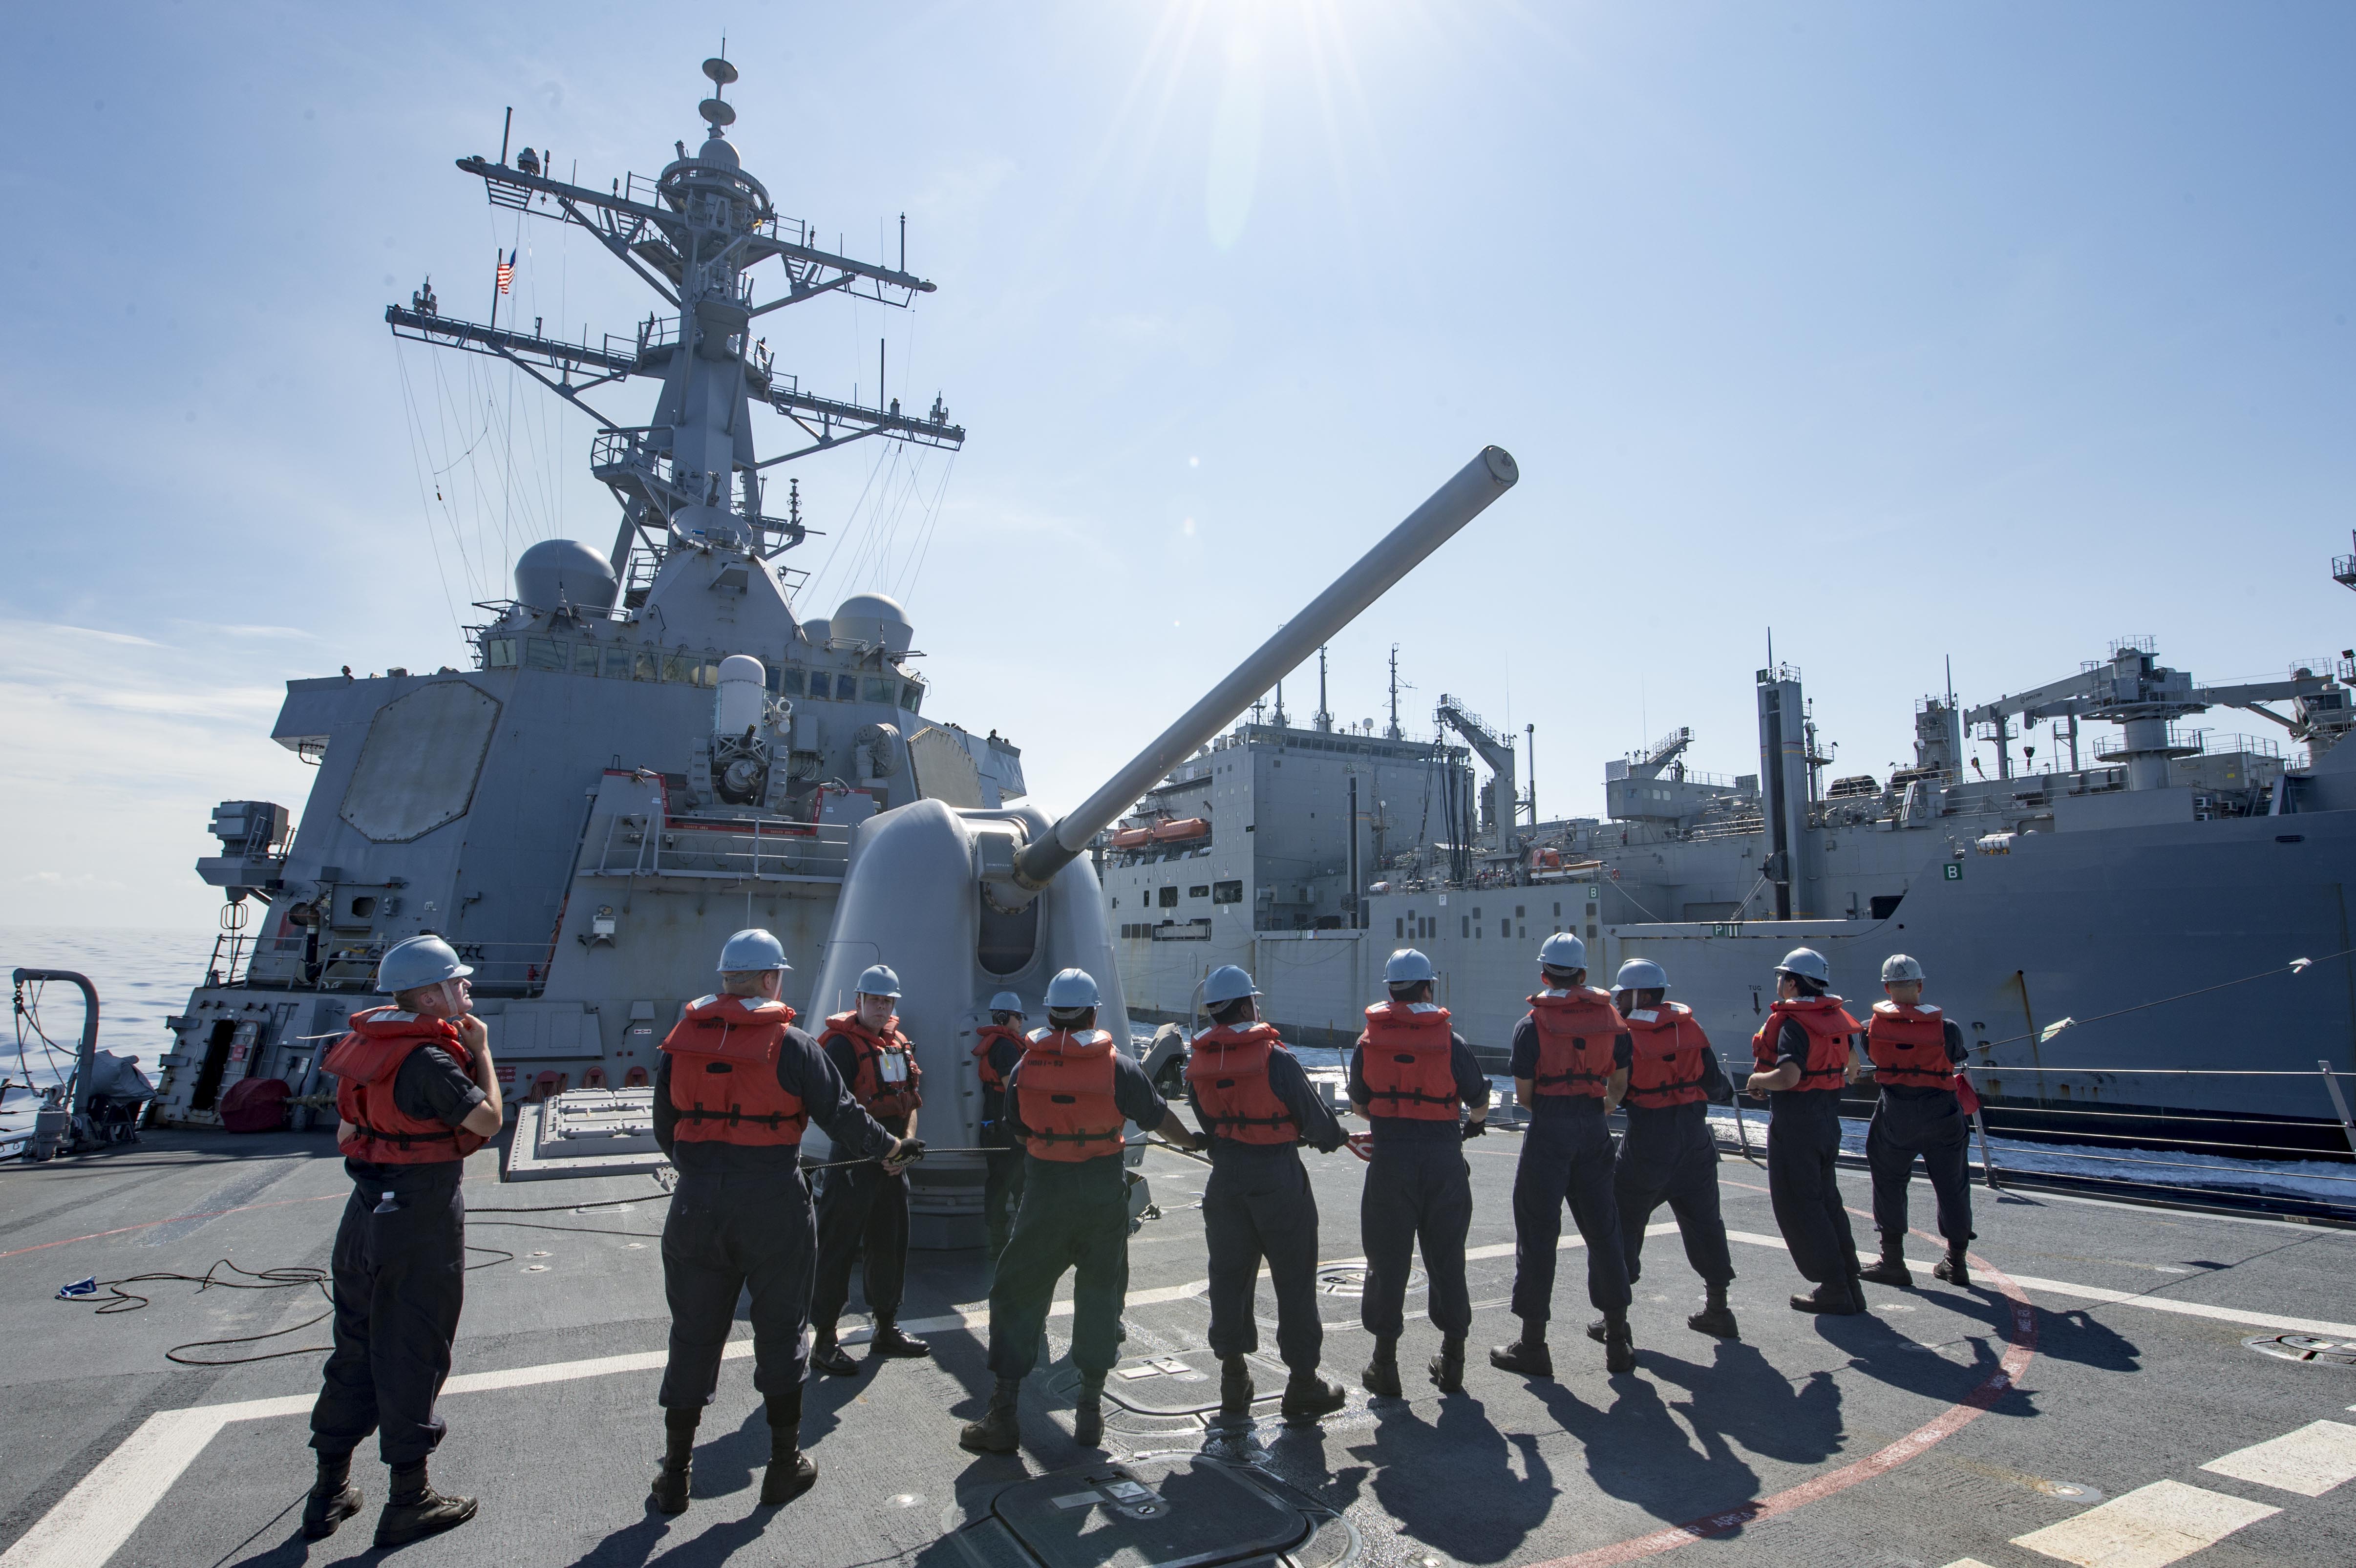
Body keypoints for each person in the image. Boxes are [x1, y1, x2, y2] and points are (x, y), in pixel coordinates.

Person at [647, 930, 914, 1514]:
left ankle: (674, 1475)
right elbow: (844, 1116)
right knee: (781, 1329)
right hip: (771, 1200)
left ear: (726, 979)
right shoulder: (791, 1045)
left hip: (694, 1205)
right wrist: (891, 1148)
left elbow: (665, 1127)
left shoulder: (678, 1044)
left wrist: (702, 1172)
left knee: (692, 1334)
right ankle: (782, 1464)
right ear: (771, 980)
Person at [304, 934, 504, 1547]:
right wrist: (484, 1054)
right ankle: (410, 1499)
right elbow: (488, 1122)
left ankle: (329, 1491)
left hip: (364, 1213)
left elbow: (348, 1127)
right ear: (430, 994)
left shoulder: (361, 1048)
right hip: (419, 1217)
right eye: (457, 984)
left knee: (355, 1348)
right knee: (414, 1350)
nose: (467, 992)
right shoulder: (430, 1061)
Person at [960, 968, 1203, 1454]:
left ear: (1049, 1013)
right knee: (1099, 1294)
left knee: (1017, 1294)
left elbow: (1017, 1127)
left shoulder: (1025, 1066)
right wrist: (1192, 1141)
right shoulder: (1117, 1066)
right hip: (1099, 1196)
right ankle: (1090, 1413)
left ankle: (1003, 1413)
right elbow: (1158, 1117)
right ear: (1093, 1012)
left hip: (1044, 1195)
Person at [1185, 964, 1350, 1421]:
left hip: (1226, 1179)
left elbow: (1205, 1121)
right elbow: (1314, 1121)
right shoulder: (1274, 1058)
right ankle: (1301, 1385)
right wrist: (1336, 1138)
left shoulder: (1198, 1063)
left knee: (1229, 1279)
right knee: (1294, 1280)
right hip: (1277, 1177)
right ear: (1245, 1005)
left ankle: (1233, 1380)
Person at [1490, 933, 1636, 1379]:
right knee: (1604, 1229)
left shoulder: (1530, 1025)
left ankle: (1533, 1345)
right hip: (1594, 1127)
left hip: (1549, 1127)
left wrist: (1557, 1110)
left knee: (1536, 1232)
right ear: (1584, 975)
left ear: (1543, 974)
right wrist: (1597, 1107)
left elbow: (1525, 1095)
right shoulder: (1612, 1020)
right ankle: (1618, 1340)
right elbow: (1620, 1084)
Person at [1349, 949, 1491, 1397]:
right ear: (1428, 988)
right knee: (1447, 1258)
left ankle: (1384, 1364)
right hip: (1444, 1162)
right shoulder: (1451, 1040)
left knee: (1386, 1262)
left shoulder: (1368, 1040)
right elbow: (1480, 1103)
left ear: (1389, 990)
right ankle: (1452, 1361)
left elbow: (1359, 1106)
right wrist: (1468, 1128)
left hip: (1391, 1162)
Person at [1600, 957, 1740, 1341]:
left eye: (1622, 995)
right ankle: (1718, 1309)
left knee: (1623, 1225)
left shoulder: (1624, 1035)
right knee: (1706, 1223)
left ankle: (1616, 1321)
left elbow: (1615, 1091)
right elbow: (1716, 1086)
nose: (1619, 1002)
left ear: (1637, 994)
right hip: (1695, 1143)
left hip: (1648, 1145)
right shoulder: (1690, 1028)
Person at [810, 965, 931, 1375]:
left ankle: (885, 1327)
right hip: (853, 1164)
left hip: (893, 1167)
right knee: (837, 1249)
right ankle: (825, 1340)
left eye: (887, 1001)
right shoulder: (841, 1048)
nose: (881, 1007)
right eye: (874, 1000)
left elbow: (910, 1101)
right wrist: (883, 1151)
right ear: (858, 1001)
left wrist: (903, 1150)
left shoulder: (897, 1045)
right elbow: (834, 1113)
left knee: (890, 1244)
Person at [1744, 947, 1868, 1314]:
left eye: (1782, 976)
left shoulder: (1794, 1023)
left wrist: (1756, 1079)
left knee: (1799, 1205)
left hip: (1796, 1124)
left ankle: (1832, 1287)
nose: (1779, 983)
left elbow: (1788, 1077)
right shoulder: (1835, 1019)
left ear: (1793, 982)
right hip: (1828, 1121)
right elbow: (1853, 1068)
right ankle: (1848, 1281)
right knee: (1827, 1201)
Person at [1856, 954, 1975, 1288]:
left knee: (1889, 1183)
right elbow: (1954, 1057)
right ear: (1920, 985)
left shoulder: (1869, 1029)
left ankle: (1892, 1262)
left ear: (1886, 988)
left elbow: (1874, 1055)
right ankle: (1956, 1262)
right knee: (1953, 1186)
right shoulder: (1947, 1028)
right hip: (1942, 1115)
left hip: (1896, 1114)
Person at [973, 990, 1030, 1272]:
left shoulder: (1002, 1045)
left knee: (1000, 1182)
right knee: (1015, 1181)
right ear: (1003, 1017)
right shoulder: (1007, 1048)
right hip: (1006, 1129)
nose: (1021, 1022)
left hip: (995, 1127)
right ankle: (1008, 1241)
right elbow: (1013, 1089)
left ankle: (1000, 1240)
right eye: (1018, 1017)